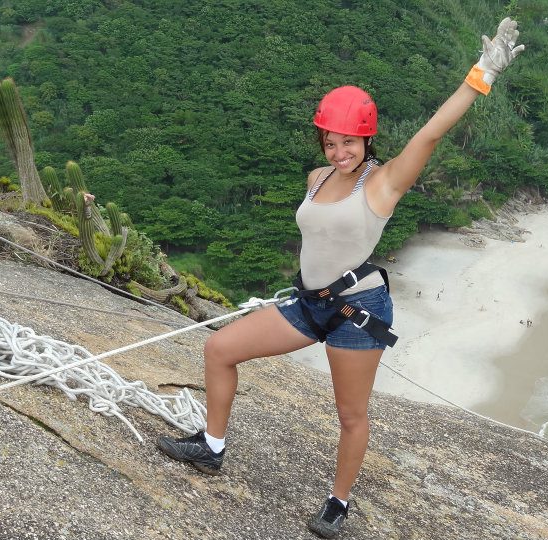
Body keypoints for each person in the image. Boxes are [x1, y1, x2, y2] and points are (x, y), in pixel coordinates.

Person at [158, 17, 524, 538]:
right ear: (322, 142)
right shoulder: (317, 178)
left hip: (359, 311)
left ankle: (338, 502)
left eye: (350, 142)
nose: (340, 153)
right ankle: (212, 446)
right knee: (220, 350)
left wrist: (480, 74)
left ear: (367, 139)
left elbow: (431, 133)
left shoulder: (383, 182)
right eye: (331, 143)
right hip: (309, 304)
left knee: (350, 415)